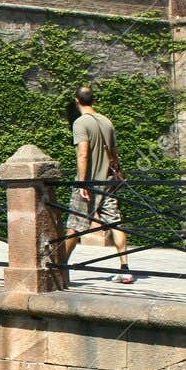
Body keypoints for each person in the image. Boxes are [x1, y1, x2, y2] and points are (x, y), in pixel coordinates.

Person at [60, 86, 133, 283]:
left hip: (90, 183)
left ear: (77, 100)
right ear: (94, 100)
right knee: (115, 222)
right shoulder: (107, 122)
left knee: (74, 226)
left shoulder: (80, 123)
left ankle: (60, 268)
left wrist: (83, 183)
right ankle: (125, 268)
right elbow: (114, 153)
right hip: (107, 181)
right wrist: (119, 173)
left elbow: (83, 153)